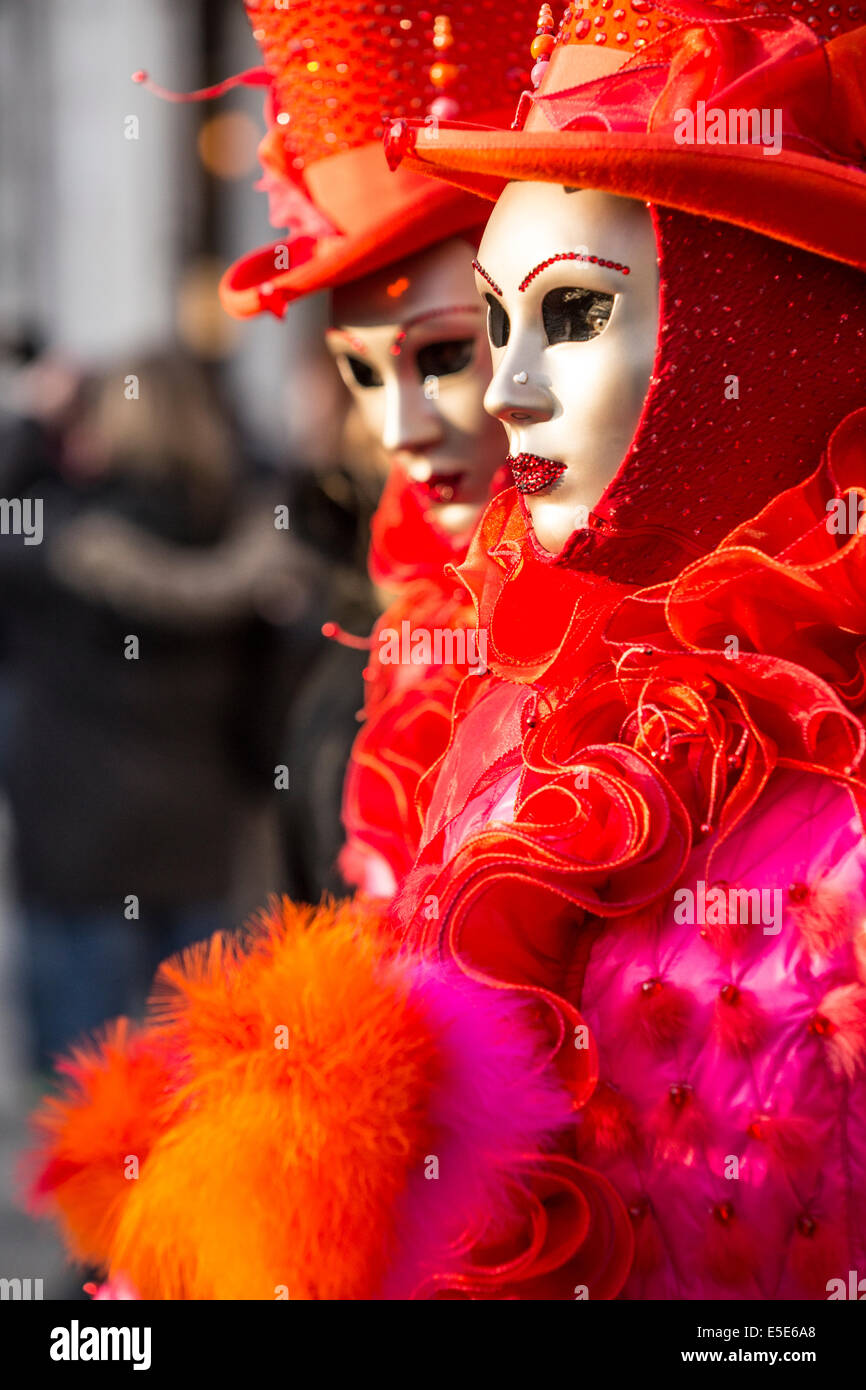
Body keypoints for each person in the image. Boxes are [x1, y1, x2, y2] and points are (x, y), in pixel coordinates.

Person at [29, 0, 866, 1302]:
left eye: (569, 314)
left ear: (760, 308)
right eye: (490, 322)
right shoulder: (504, 713)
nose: (487, 398)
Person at [0, 350, 304, 1070]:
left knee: (84, 1096)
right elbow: (267, 723)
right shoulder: (253, 541)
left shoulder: (50, 539)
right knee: (197, 1085)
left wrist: (28, 417)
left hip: (75, 851)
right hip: (200, 846)